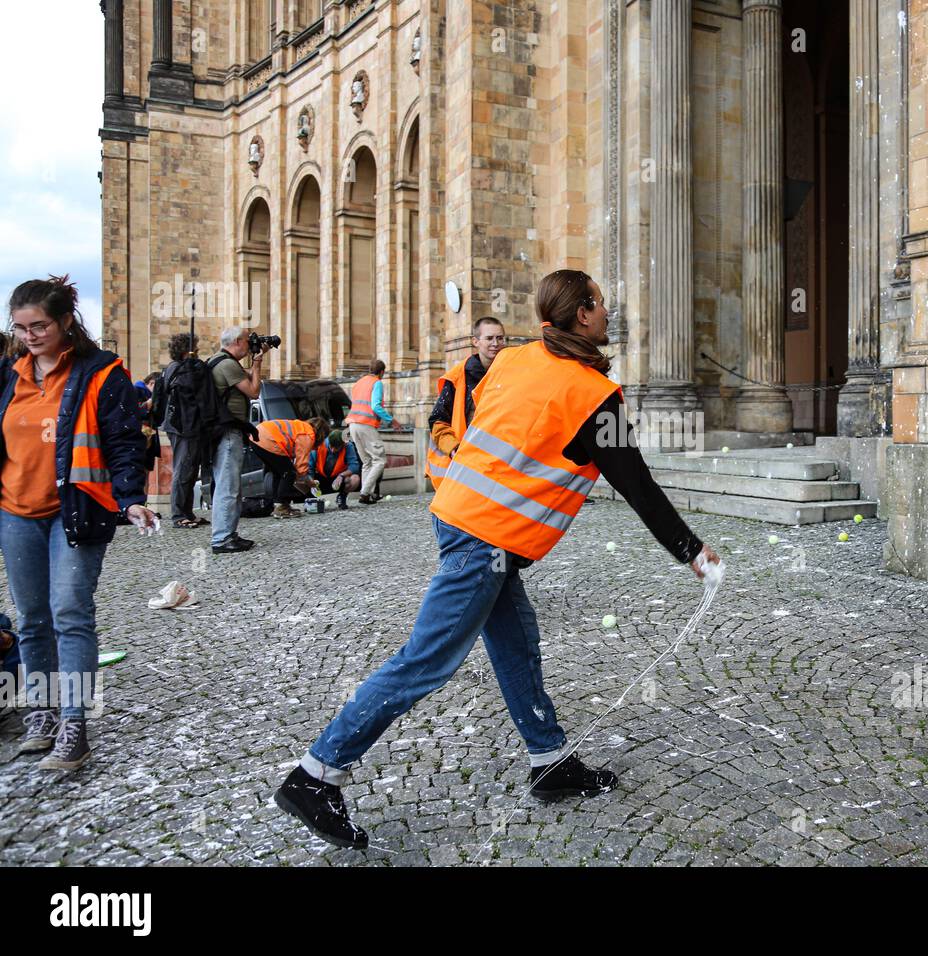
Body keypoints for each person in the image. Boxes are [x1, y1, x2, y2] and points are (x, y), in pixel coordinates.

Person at [274, 269, 721, 849]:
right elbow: (635, 482)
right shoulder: (591, 394)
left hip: (460, 514)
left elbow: (497, 423)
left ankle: (549, 759)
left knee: (515, 644)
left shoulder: (513, 360)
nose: (608, 315)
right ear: (583, 314)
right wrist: (690, 550)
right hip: (485, 537)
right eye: (602, 306)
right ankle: (316, 774)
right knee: (425, 662)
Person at [0, 276, 159, 770]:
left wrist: (131, 499)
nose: (30, 335)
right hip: (15, 512)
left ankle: (74, 723)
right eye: (21, 327)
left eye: (40, 325)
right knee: (30, 621)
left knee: (69, 613)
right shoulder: (10, 374)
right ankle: (43, 714)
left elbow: (125, 441)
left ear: (66, 320)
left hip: (78, 510)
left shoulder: (102, 372)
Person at [425, 316, 505, 489]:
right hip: (464, 461)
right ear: (475, 341)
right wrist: (453, 447)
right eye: (489, 338)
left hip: (498, 461)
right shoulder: (457, 377)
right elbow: (438, 420)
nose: (495, 343)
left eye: (500, 338)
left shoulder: (510, 372)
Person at [207, 328, 263, 553]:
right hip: (228, 432)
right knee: (227, 486)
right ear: (238, 341)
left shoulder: (219, 361)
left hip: (223, 431)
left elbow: (245, 381)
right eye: (248, 342)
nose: (250, 345)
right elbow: (254, 391)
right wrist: (257, 364)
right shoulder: (227, 364)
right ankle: (221, 539)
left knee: (229, 485)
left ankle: (229, 533)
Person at [158, 333, 209, 529]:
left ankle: (186, 512)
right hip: (182, 426)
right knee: (184, 467)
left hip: (182, 425)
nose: (196, 351)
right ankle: (179, 515)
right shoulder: (179, 369)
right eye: (194, 348)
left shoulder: (175, 368)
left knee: (189, 467)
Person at [344, 358, 405, 505]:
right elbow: (376, 406)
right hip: (366, 424)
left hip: (353, 424)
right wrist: (392, 420)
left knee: (367, 462)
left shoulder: (359, 383)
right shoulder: (376, 383)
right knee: (380, 460)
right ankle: (365, 493)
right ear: (382, 372)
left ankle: (367, 494)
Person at [251, 417, 330, 519]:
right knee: (289, 473)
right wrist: (309, 482)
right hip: (269, 440)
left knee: (279, 473)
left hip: (257, 437)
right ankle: (282, 507)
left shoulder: (301, 427)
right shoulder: (308, 434)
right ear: (321, 435)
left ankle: (278, 505)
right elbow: (301, 467)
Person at [309, 429, 362, 509]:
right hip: (320, 478)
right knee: (302, 479)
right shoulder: (319, 444)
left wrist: (342, 475)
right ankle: (310, 502)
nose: (333, 450)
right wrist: (311, 481)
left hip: (339, 479)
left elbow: (354, 466)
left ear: (343, 444)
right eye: (331, 446)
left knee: (355, 479)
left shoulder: (348, 446)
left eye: (337, 447)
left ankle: (342, 497)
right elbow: (310, 467)